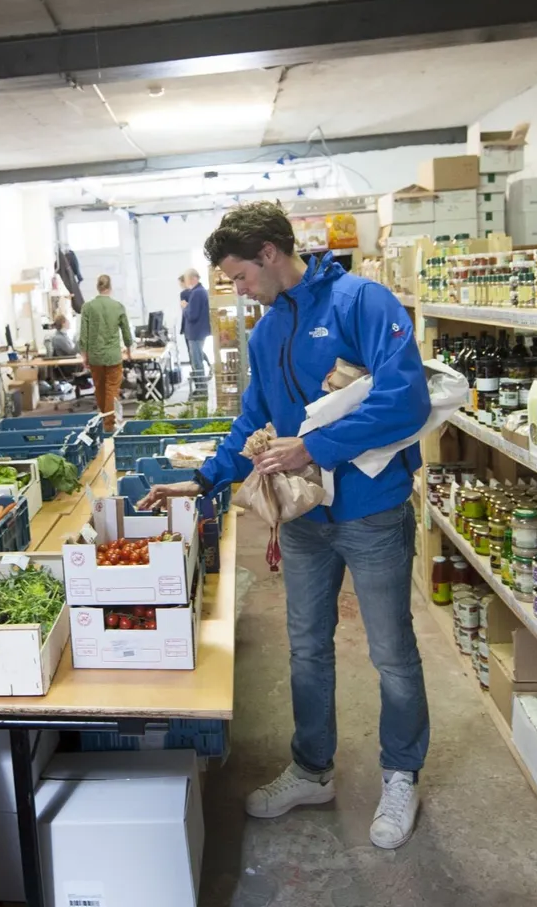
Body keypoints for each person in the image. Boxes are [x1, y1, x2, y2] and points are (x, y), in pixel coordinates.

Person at [139, 202, 432, 850]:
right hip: (302, 518)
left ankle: (401, 772)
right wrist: (204, 477)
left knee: (391, 652)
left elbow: (404, 397)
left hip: (374, 511)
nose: (237, 290)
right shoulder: (266, 333)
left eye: (239, 275)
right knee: (307, 648)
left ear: (270, 254)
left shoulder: (362, 302)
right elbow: (252, 419)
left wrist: (315, 447)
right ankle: (311, 768)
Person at [77, 274, 134, 431]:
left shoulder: (88, 307)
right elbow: (127, 333)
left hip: (95, 356)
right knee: (111, 390)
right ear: (110, 287)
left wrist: (84, 356)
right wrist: (129, 352)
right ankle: (109, 425)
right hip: (113, 356)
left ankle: (104, 421)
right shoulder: (118, 306)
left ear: (98, 287)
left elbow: (83, 334)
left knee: (100, 388)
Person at [179, 269, 211, 387]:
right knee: (197, 360)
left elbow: (192, 315)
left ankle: (201, 389)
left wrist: (185, 307)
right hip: (198, 332)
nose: (186, 283)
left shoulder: (197, 293)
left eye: (187, 280)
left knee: (197, 362)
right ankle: (201, 387)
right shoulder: (200, 291)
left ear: (193, 278)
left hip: (195, 332)